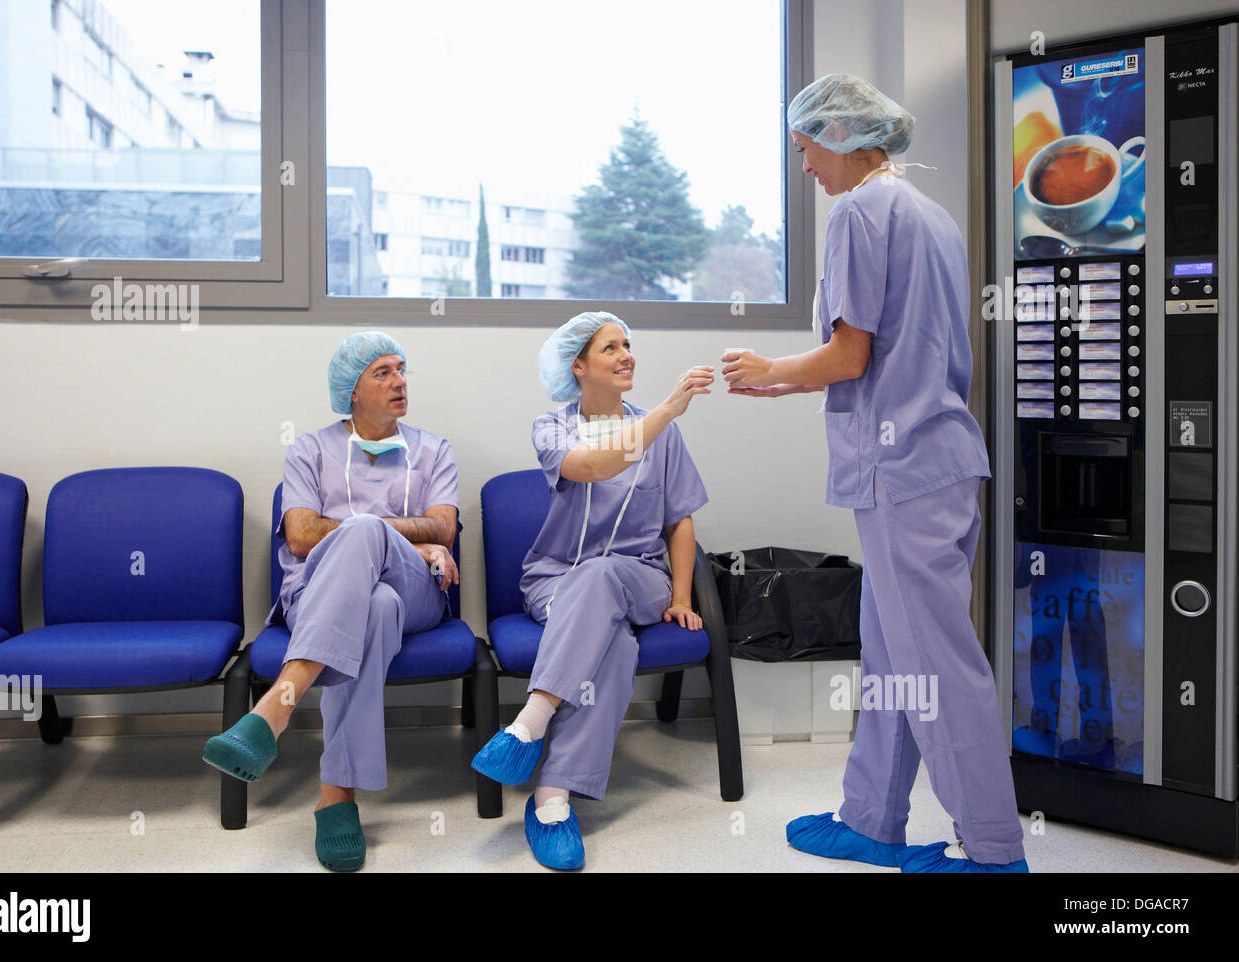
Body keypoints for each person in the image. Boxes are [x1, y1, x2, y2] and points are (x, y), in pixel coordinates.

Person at [722, 73, 1027, 873]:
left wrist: (769, 368)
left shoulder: (859, 211)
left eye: (805, 147)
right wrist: (782, 378)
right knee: (895, 656)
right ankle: (872, 818)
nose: (804, 166)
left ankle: (993, 850)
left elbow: (849, 354)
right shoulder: (932, 216)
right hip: (943, 463)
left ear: (843, 136)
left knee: (935, 666)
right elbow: (894, 351)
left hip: (902, 473)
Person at [202, 331, 460, 872]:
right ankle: (336, 796)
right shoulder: (309, 449)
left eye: (401, 369)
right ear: (352, 392)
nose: (400, 381)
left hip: (420, 594)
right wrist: (411, 535)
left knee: (372, 549)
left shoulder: (434, 450)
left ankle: (276, 707)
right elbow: (298, 537)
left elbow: (445, 527)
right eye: (383, 372)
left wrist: (379, 533)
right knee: (376, 605)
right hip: (319, 594)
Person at [471, 311, 711, 870]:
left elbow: (680, 522)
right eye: (611, 348)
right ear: (578, 366)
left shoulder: (663, 432)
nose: (627, 354)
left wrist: (680, 597)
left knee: (604, 574)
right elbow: (591, 467)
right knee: (617, 642)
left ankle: (531, 721)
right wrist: (668, 411)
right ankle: (553, 798)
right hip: (556, 578)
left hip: (641, 580)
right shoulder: (551, 428)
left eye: (628, 345)